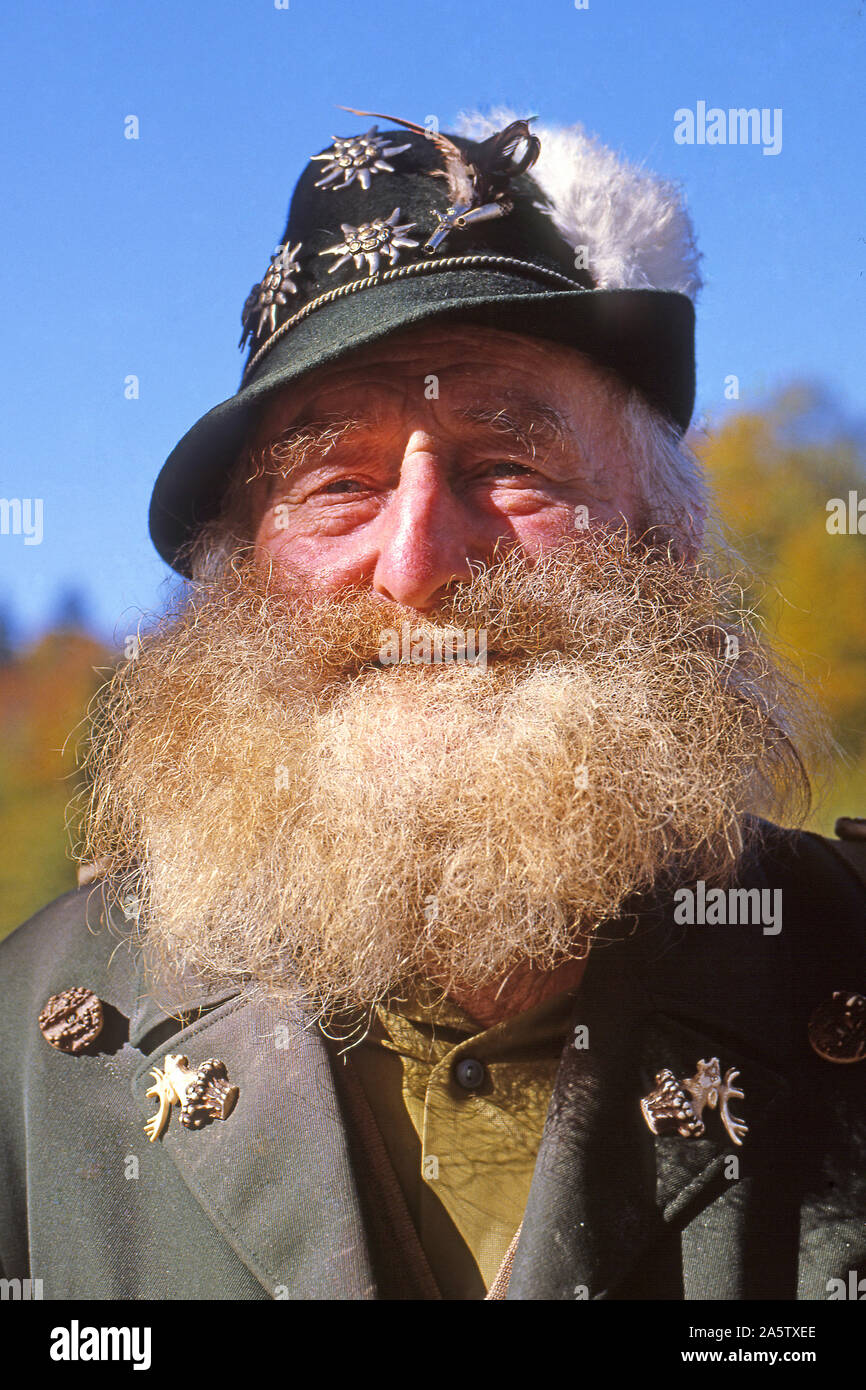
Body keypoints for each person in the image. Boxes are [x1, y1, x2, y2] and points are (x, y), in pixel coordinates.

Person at [1, 106, 864, 1302]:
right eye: (337, 484)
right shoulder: (29, 1045)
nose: (415, 565)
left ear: (665, 544)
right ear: (244, 574)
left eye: (506, 466)